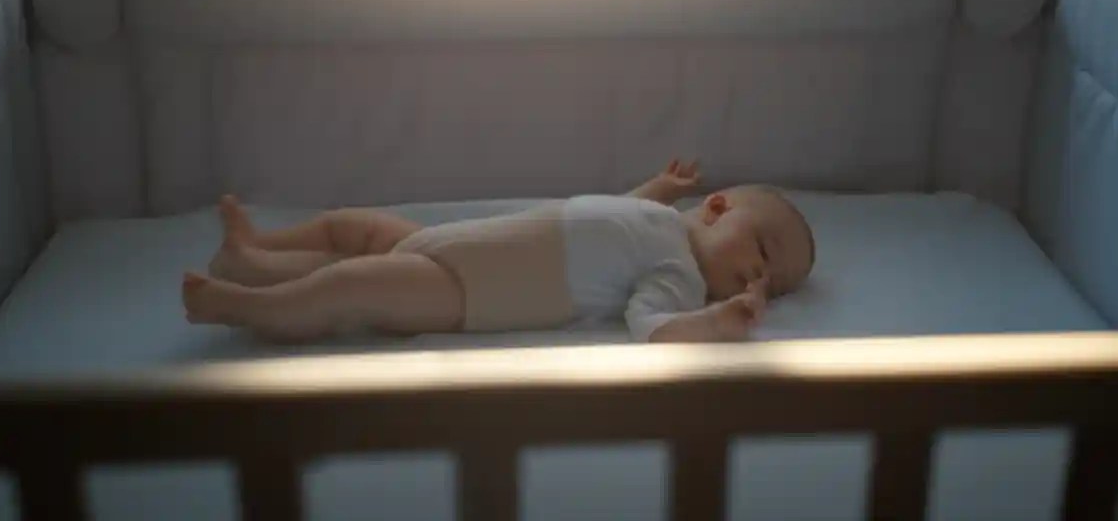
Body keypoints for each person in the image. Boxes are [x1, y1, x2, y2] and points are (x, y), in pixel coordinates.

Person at [182, 159, 815, 343]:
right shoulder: (663, 223)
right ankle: (256, 253)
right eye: (762, 249)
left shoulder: (679, 277)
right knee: (354, 231)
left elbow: (651, 326)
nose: (760, 273)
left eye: (774, 282)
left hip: (466, 293)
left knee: (353, 284)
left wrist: (715, 323)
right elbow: (615, 213)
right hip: (465, 242)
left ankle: (246, 306)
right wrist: (658, 186)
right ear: (715, 208)